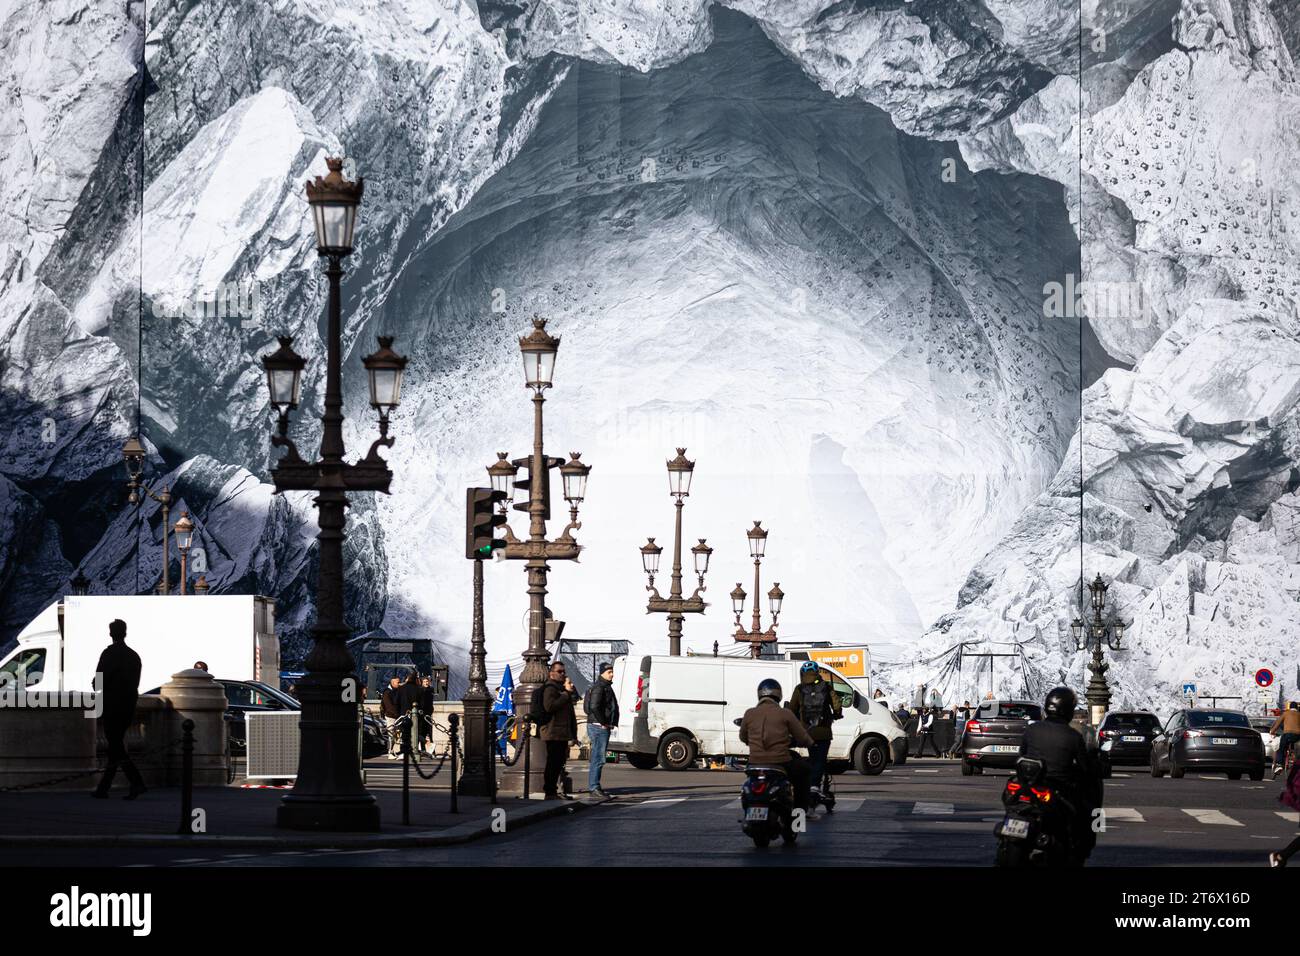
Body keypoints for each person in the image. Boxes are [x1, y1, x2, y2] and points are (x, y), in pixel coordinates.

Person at [1019, 686, 1103, 864]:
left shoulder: (1032, 730)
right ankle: (1076, 847)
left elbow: (1022, 755)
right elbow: (1086, 767)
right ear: (1069, 711)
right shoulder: (1073, 736)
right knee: (1080, 814)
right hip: (1057, 789)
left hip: (1027, 785)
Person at [739, 678, 815, 810]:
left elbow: (743, 737)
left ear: (759, 695)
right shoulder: (785, 713)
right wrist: (810, 743)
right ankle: (800, 815)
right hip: (780, 762)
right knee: (804, 771)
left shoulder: (749, 713)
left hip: (754, 763)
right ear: (778, 695)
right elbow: (802, 737)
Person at [92, 619, 146, 799]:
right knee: (115, 746)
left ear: (111, 633)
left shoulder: (109, 654)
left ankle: (136, 782)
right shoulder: (134, 656)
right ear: (125, 632)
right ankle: (104, 788)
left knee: (115, 746)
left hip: (112, 706)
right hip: (128, 706)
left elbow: (98, 682)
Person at [786, 661, 841, 804]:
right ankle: (815, 786)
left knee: (812, 757)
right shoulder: (826, 687)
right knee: (820, 760)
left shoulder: (799, 689)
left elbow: (791, 709)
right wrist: (837, 713)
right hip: (824, 732)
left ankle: (808, 784)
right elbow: (836, 704)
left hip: (807, 732)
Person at [540, 660, 580, 800]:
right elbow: (549, 706)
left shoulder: (561, 688)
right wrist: (565, 695)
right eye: (559, 672)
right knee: (553, 763)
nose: (563, 674)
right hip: (553, 732)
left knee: (558, 763)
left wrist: (569, 691)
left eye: (564, 672)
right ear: (551, 673)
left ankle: (554, 791)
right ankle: (550, 791)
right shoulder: (550, 688)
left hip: (561, 732)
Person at [584, 661, 619, 799]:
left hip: (598, 726)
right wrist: (603, 722)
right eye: (609, 672)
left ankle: (595, 786)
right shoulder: (600, 687)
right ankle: (594, 787)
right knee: (598, 758)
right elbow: (593, 706)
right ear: (602, 673)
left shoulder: (604, 686)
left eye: (612, 671)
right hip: (598, 727)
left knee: (598, 758)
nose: (612, 674)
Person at [396, 670, 423, 756]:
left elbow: (396, 702)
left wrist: (399, 712)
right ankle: (414, 748)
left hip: (403, 713)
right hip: (416, 714)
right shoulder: (419, 689)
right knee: (415, 732)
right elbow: (422, 704)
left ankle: (403, 749)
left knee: (404, 733)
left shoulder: (401, 688)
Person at [1269, 701, 1300, 776]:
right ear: (1297, 708)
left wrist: (1272, 731)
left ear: (1290, 707)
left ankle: (1279, 765)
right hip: (1297, 735)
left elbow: (1278, 723)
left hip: (1287, 734)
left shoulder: (1285, 713)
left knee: (1281, 749)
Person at [381, 675, 402, 759]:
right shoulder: (387, 692)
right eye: (398, 682)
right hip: (390, 716)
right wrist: (397, 714)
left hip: (395, 716)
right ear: (392, 682)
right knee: (391, 735)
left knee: (395, 735)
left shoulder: (395, 691)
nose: (399, 684)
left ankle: (393, 751)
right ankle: (390, 752)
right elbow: (389, 706)